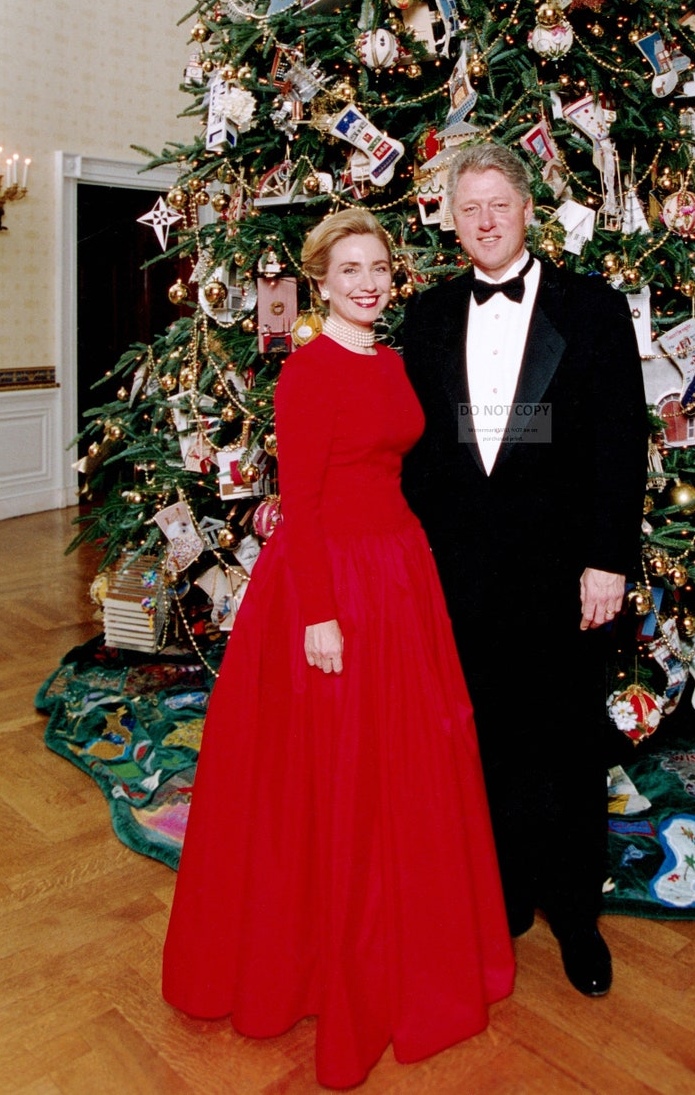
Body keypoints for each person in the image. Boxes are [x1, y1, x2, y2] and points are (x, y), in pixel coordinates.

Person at [163, 209, 514, 1089]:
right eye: (349, 269)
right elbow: (306, 504)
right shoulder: (306, 372)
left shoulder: (396, 361)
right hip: (331, 584)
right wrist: (318, 613)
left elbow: (422, 462)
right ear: (321, 282)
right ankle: (327, 962)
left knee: (407, 768)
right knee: (333, 776)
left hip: (401, 574)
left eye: (378, 268)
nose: (366, 282)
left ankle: (409, 944)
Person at [402, 144, 648, 997]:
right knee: (487, 742)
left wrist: (607, 560)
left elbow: (623, 443)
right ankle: (503, 894)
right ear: (451, 217)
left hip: (566, 577)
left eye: (498, 204)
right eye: (468, 208)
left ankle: (577, 917)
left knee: (569, 747)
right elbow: (419, 455)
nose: (485, 221)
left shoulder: (593, 308)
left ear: (529, 207)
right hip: (463, 576)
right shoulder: (428, 317)